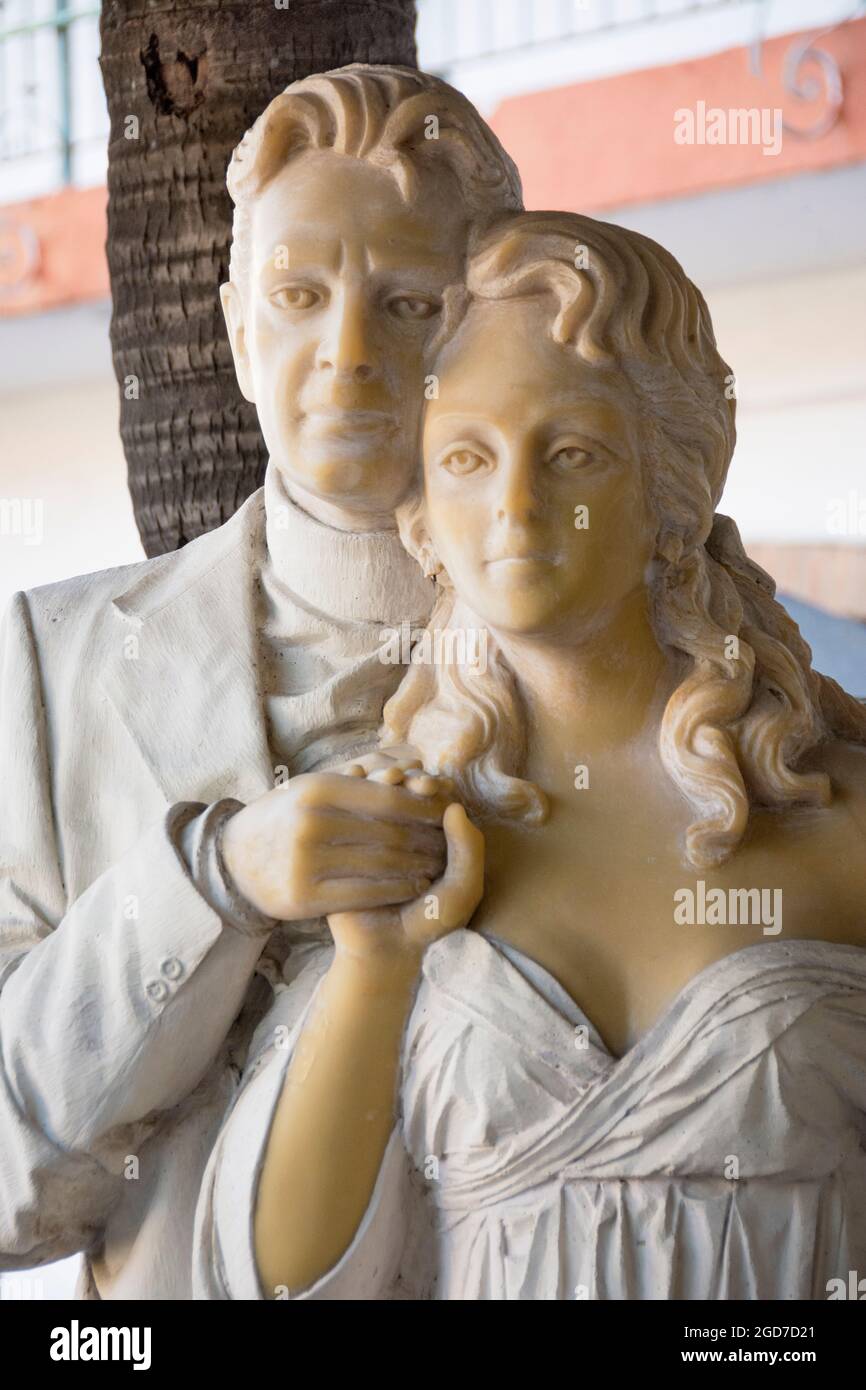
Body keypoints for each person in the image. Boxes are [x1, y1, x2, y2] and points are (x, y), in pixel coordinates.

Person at [195, 211, 866, 1301]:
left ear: (669, 487)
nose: (513, 506)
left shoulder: (836, 815)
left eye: (571, 453)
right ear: (418, 509)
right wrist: (375, 965)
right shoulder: (406, 830)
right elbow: (281, 1279)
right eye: (465, 457)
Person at [0, 65, 521, 1300]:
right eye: (297, 296)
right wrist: (215, 884)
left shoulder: (616, 663)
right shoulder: (52, 663)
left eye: (407, 304)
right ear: (238, 331)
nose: (344, 356)